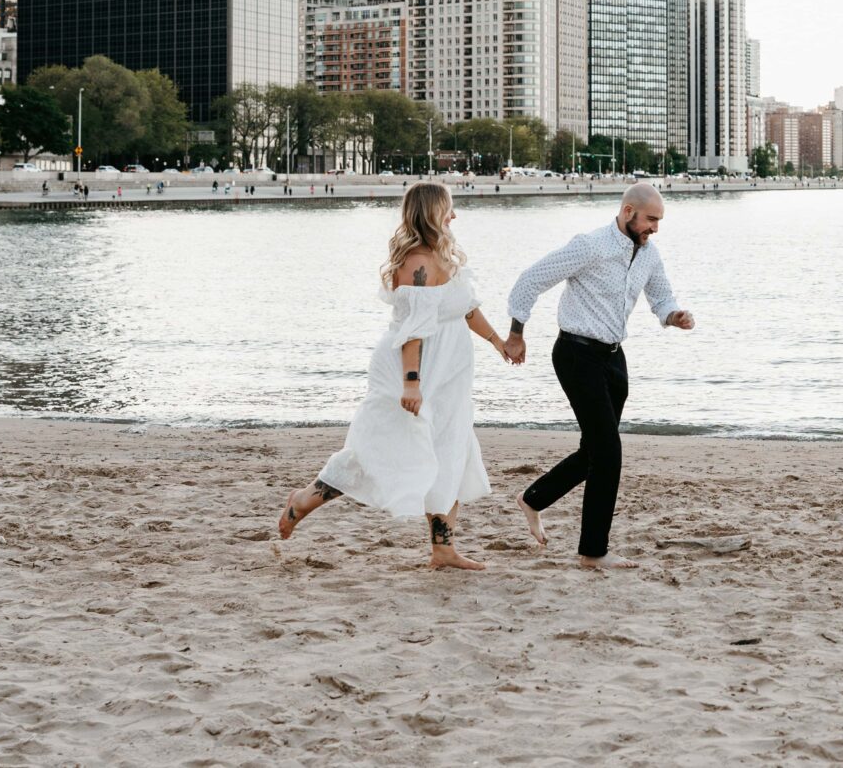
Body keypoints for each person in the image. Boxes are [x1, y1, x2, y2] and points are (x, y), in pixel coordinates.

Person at [276, 181, 514, 571]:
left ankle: (443, 549)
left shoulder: (446, 256)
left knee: (451, 447)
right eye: (449, 209)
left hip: (450, 371)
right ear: (433, 213)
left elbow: (467, 310)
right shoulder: (418, 263)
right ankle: (304, 500)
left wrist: (498, 342)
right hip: (415, 367)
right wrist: (411, 383)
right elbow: (413, 330)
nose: (454, 216)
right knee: (382, 449)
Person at [505, 182, 696, 570]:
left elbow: (662, 297)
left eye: (659, 221)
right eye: (651, 219)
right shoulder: (590, 246)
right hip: (576, 354)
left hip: (613, 359)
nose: (655, 228)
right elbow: (531, 279)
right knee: (609, 454)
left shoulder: (648, 254)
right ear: (628, 212)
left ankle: (534, 499)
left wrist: (673, 316)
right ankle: (593, 552)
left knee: (594, 451)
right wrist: (516, 332)